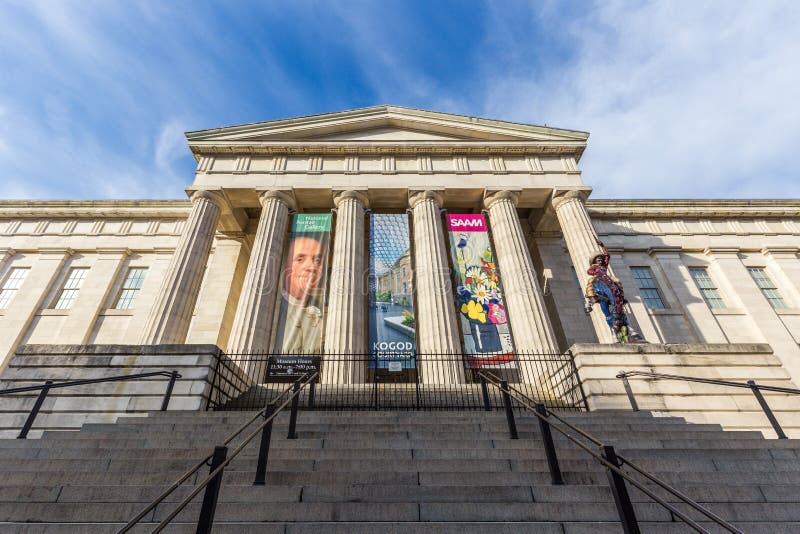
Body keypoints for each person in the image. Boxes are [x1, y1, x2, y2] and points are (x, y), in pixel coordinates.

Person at [272, 235, 327, 354]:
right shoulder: (270, 306)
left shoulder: (325, 311)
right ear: (286, 265)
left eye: (317, 261)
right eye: (300, 259)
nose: (311, 267)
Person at [584, 239, 645, 343]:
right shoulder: (594, 268)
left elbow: (607, 256)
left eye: (600, 259)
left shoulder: (604, 266)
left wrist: (602, 246)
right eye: (598, 259)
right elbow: (589, 272)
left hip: (608, 284)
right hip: (600, 287)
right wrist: (596, 271)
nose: (600, 260)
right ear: (594, 261)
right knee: (606, 311)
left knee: (617, 284)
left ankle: (621, 300)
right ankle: (591, 300)